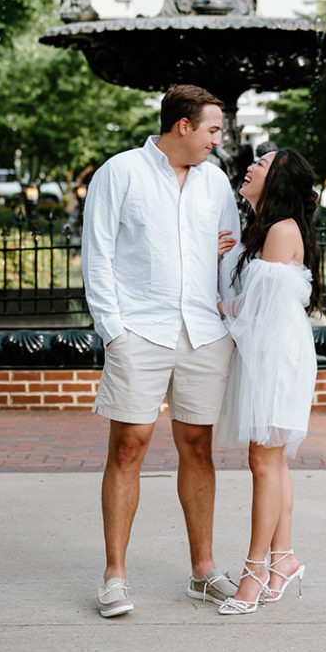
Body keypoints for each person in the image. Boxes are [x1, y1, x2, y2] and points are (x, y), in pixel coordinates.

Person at [81, 84, 241, 618]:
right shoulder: (120, 172)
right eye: (213, 130)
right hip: (140, 331)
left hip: (202, 332)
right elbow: (97, 254)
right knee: (128, 446)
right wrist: (113, 330)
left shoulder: (215, 182)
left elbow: (230, 252)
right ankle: (114, 577)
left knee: (199, 447)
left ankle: (203, 571)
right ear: (183, 127)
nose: (219, 140)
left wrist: (226, 308)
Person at [215, 149, 322, 616]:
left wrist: (213, 309)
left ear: (276, 179)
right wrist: (234, 251)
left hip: (277, 357)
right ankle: (284, 560)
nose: (251, 165)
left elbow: (254, 308)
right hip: (270, 352)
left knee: (264, 461)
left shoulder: (281, 231)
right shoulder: (266, 232)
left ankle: (255, 569)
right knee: (273, 462)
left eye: (262, 162)